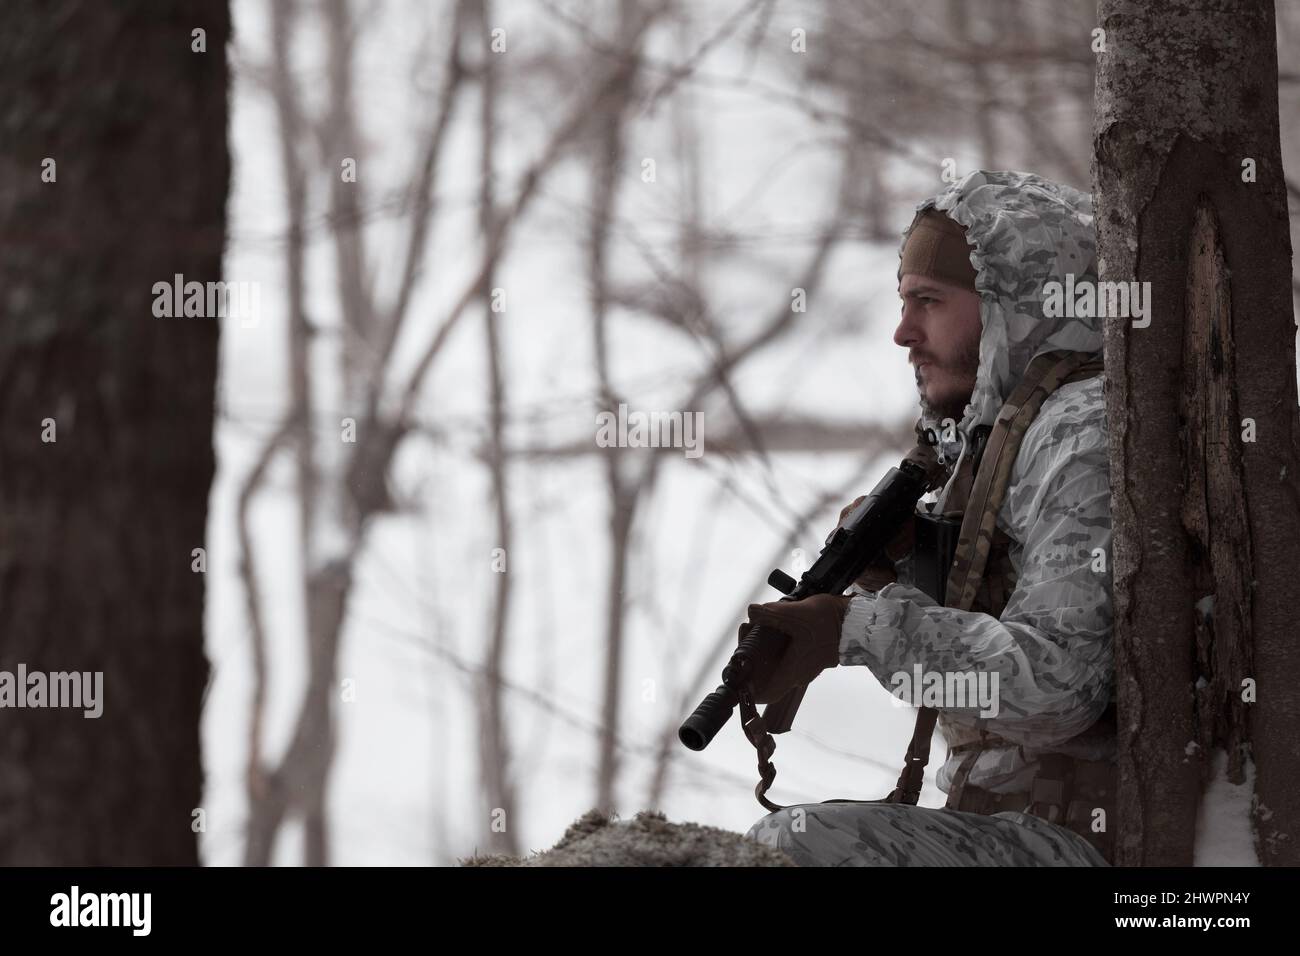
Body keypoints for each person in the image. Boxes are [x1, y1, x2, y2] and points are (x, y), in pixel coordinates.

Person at [741, 170, 1116, 866]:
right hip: (1014, 823)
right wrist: (891, 579)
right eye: (903, 301)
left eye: (930, 302)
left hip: (1096, 839)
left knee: (797, 843)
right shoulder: (991, 436)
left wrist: (855, 630)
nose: (903, 333)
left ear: (1011, 308)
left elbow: (1061, 686)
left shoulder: (1080, 433)